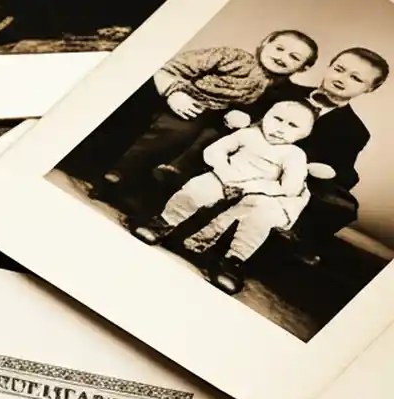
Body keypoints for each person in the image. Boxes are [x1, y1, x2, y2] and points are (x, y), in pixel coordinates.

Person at [167, 47, 390, 266]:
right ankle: (175, 175)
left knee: (344, 204)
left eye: (356, 79)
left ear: (371, 88)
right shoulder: (285, 92)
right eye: (339, 69)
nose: (342, 78)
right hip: (247, 156)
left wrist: (327, 170)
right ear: (329, 66)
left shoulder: (354, 130)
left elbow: (344, 170)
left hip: (289, 173)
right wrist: (238, 117)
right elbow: (248, 112)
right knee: (214, 133)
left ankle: (297, 239)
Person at [97, 29, 319, 202]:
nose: (282, 57)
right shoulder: (233, 57)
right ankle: (119, 172)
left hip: (219, 123)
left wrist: (247, 122)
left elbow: (270, 120)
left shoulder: (283, 93)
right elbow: (172, 67)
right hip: (186, 100)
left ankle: (157, 183)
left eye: (294, 57)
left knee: (212, 141)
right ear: (265, 42)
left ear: (303, 67)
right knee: (179, 128)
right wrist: (175, 92)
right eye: (279, 48)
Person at [132, 100, 317, 294]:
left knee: (258, 219)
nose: (280, 128)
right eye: (277, 119)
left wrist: (250, 187)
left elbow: (290, 186)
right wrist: (224, 172)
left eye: (292, 126)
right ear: (266, 116)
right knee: (197, 188)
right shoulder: (248, 135)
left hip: (259, 192)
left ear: (304, 134)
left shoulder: (294, 154)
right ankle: (163, 223)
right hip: (226, 176)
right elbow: (214, 150)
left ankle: (233, 260)